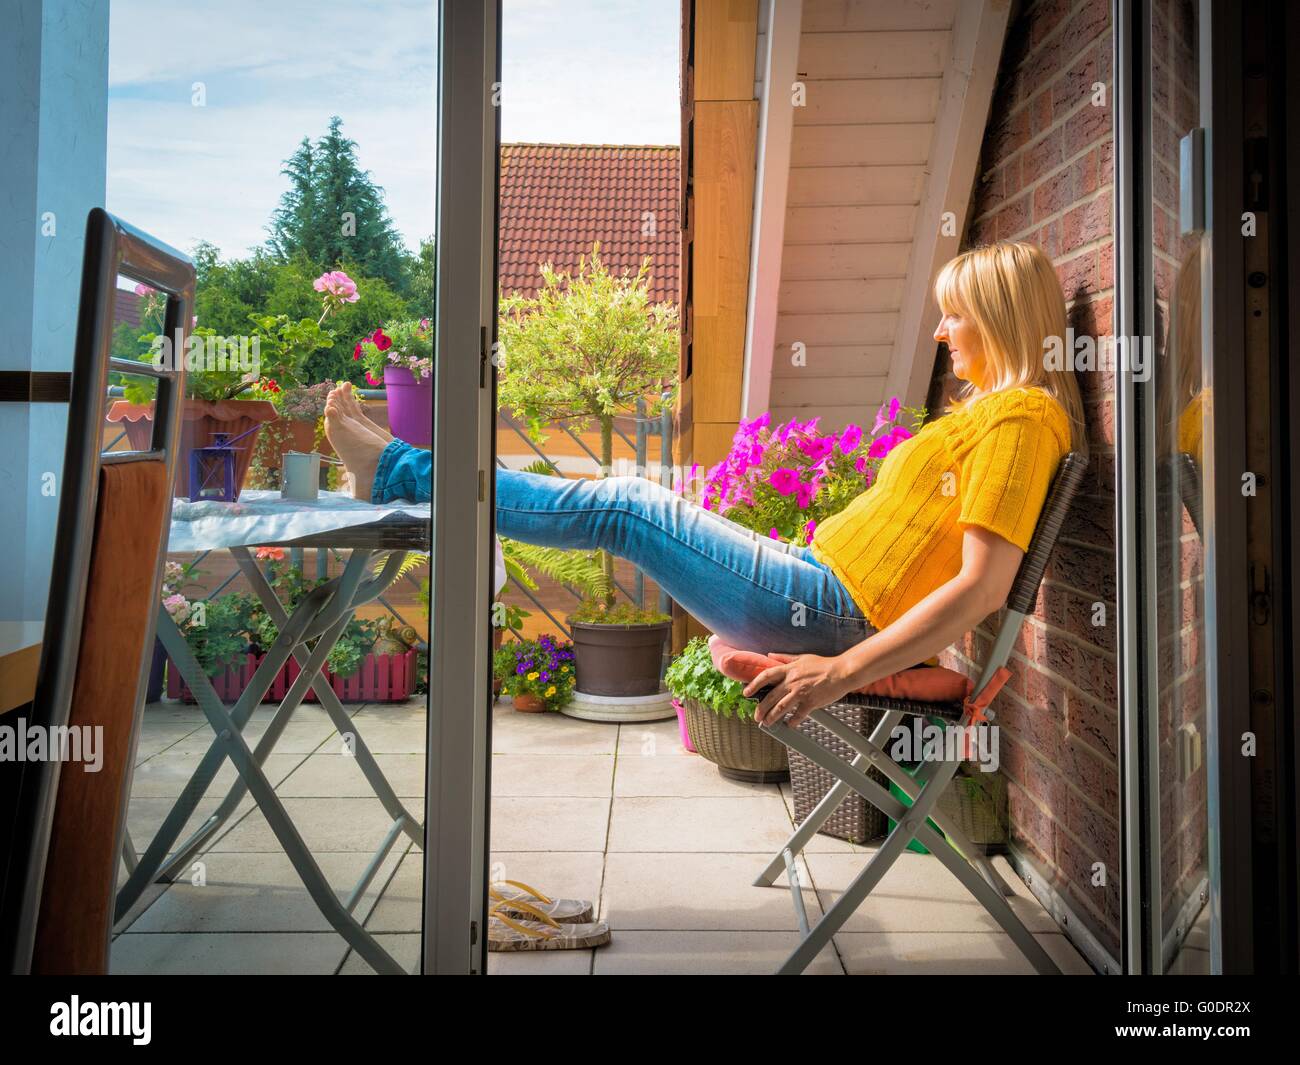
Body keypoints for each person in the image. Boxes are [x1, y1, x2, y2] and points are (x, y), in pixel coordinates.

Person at [325, 240, 1087, 728]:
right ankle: (401, 467)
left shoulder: (1023, 416)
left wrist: (843, 671)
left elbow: (985, 585)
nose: (940, 331)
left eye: (955, 314)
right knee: (626, 498)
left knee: (625, 504)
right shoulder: (994, 412)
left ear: (1001, 319)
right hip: (816, 581)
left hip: (831, 613)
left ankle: (398, 469)